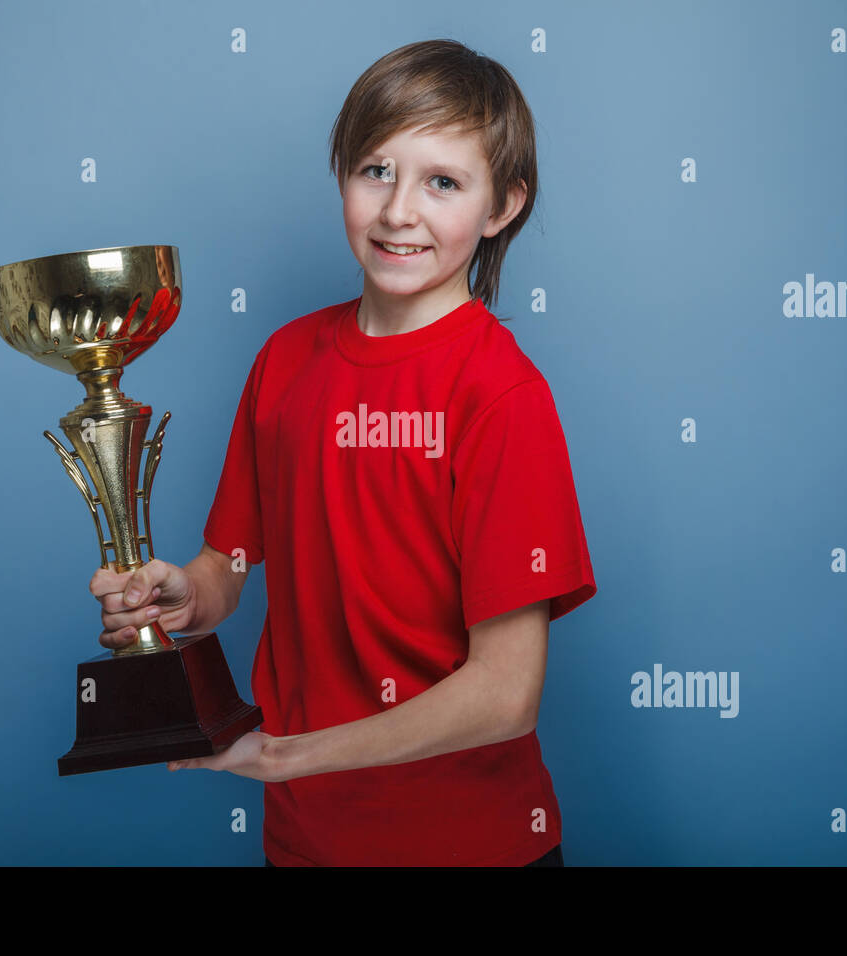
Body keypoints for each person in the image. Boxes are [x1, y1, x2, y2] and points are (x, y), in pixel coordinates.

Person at [90, 39, 596, 867]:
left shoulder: (502, 396)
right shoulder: (285, 359)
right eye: (375, 170)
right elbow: (231, 564)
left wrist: (287, 754)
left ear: (503, 205)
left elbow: (507, 694)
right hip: (304, 844)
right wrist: (183, 597)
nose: (400, 211)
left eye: (443, 182)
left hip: (472, 846)